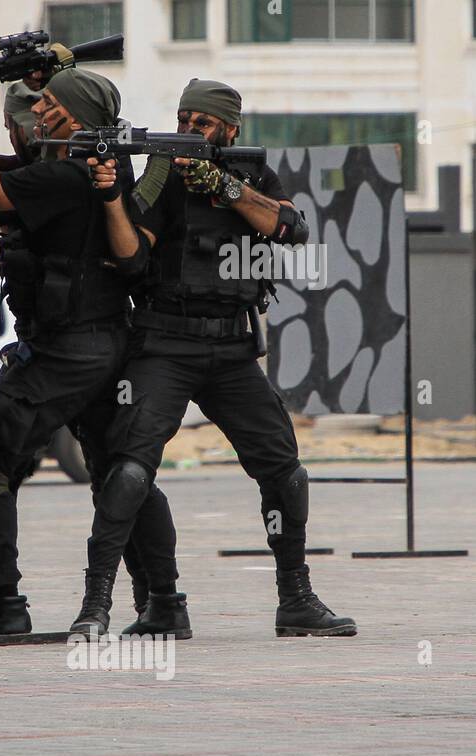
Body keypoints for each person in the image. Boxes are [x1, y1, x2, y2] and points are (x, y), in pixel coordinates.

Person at [86, 79, 356, 637]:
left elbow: (290, 229)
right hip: (166, 341)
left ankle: (296, 599)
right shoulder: (163, 174)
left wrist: (224, 186)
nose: (189, 129)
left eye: (202, 122)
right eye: (183, 117)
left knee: (285, 471)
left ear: (230, 129)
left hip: (233, 348)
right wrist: (114, 196)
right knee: (130, 469)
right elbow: (133, 259)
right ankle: (105, 603)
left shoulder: (252, 175)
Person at [0, 68, 182, 637]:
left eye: (50, 106)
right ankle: (164, 600)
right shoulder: (71, 172)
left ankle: (4, 603)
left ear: (75, 119)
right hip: (93, 344)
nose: (37, 114)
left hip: (76, 350)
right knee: (120, 471)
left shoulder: (66, 174)